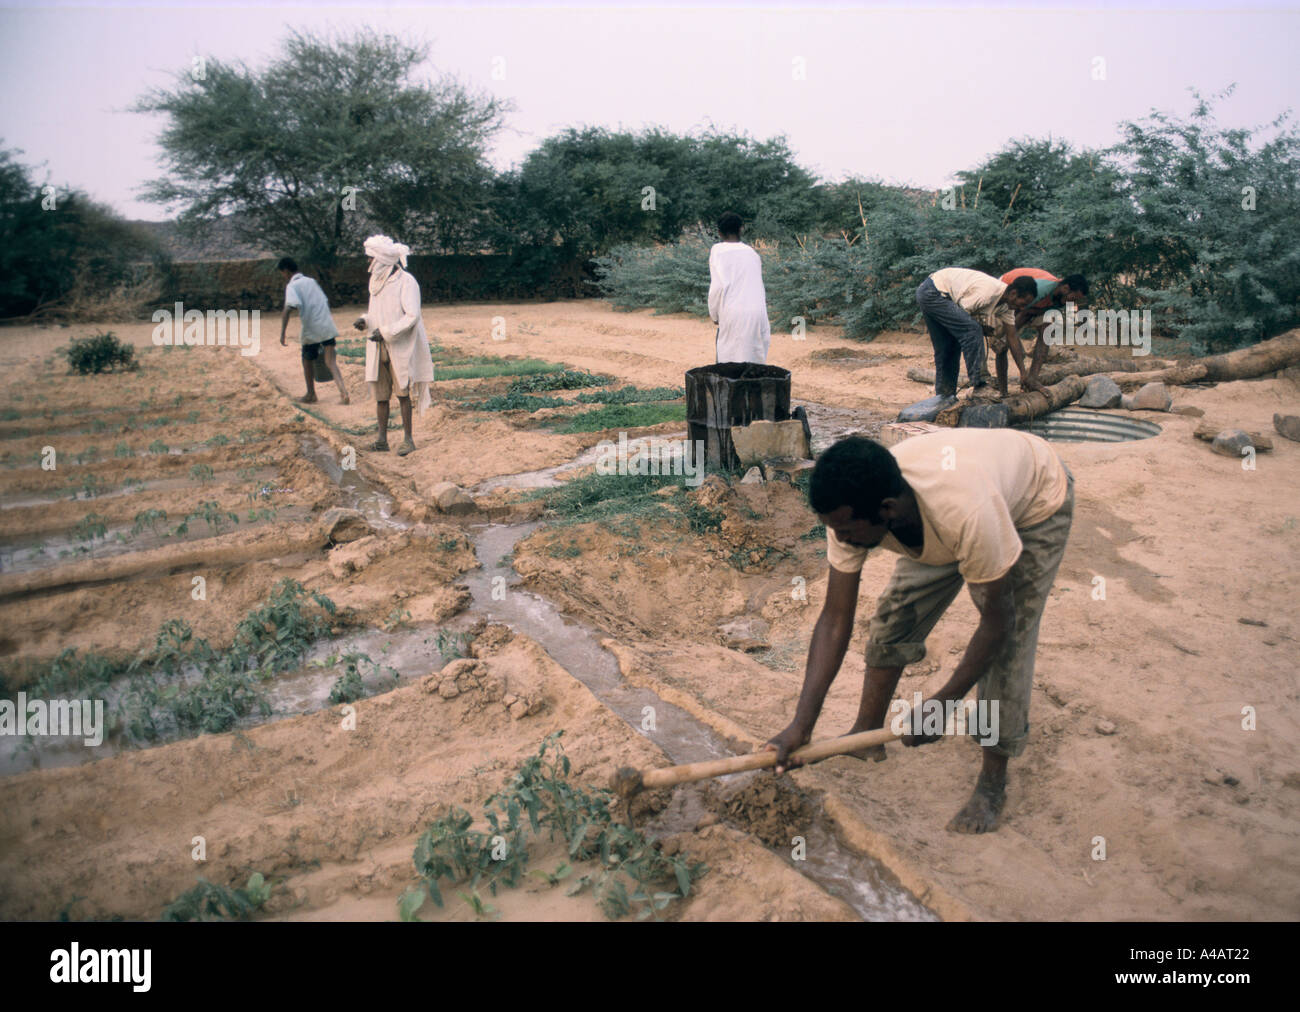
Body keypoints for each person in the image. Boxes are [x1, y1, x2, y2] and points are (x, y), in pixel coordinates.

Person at [765, 430, 1074, 834]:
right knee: (895, 616)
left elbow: (998, 624)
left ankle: (992, 779)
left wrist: (943, 704)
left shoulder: (967, 511)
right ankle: (866, 737)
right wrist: (800, 726)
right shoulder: (849, 508)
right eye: (833, 529)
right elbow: (835, 618)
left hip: (1035, 501)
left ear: (887, 510)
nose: (841, 540)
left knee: (1009, 648)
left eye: (847, 531)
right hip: (942, 519)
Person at [351, 235, 435, 456]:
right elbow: (376, 314)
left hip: (399, 347)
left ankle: (408, 439)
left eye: (370, 260)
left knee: (403, 395)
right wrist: (365, 321)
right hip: (378, 347)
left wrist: (387, 332)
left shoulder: (406, 282)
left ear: (381, 260)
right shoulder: (376, 284)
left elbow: (412, 316)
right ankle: (382, 439)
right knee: (381, 396)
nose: (369, 265)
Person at [916, 268, 1039, 399]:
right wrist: (981, 328)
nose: (1022, 309)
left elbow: (1012, 337)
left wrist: (1023, 373)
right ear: (1014, 293)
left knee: (949, 347)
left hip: (935, 293)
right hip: (933, 292)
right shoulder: (988, 292)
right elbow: (964, 315)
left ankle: (944, 397)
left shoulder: (1006, 307)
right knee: (972, 330)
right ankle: (979, 383)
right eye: (1022, 304)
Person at [996, 269, 1090, 394]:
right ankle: (1003, 391)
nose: (1073, 303)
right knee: (1002, 344)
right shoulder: (1042, 289)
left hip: (1031, 308)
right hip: (1007, 294)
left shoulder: (1059, 298)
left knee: (1047, 332)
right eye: (1073, 298)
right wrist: (1006, 339)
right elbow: (1019, 312)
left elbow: (1038, 313)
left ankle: (1033, 379)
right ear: (1066, 288)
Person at [278, 258, 348, 404]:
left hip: (312, 329)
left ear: (286, 271)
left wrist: (283, 332)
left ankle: (311, 394)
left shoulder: (292, 285)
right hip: (326, 325)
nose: (283, 276)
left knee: (307, 359)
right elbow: (323, 300)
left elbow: (288, 307)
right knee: (331, 361)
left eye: (283, 274)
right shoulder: (311, 281)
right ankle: (344, 392)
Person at [708, 212, 771, 364]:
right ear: (741, 229)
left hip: (733, 313)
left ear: (719, 232)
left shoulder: (717, 251)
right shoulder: (753, 254)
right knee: (755, 363)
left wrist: (715, 315)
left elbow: (717, 288)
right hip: (759, 314)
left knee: (728, 364)